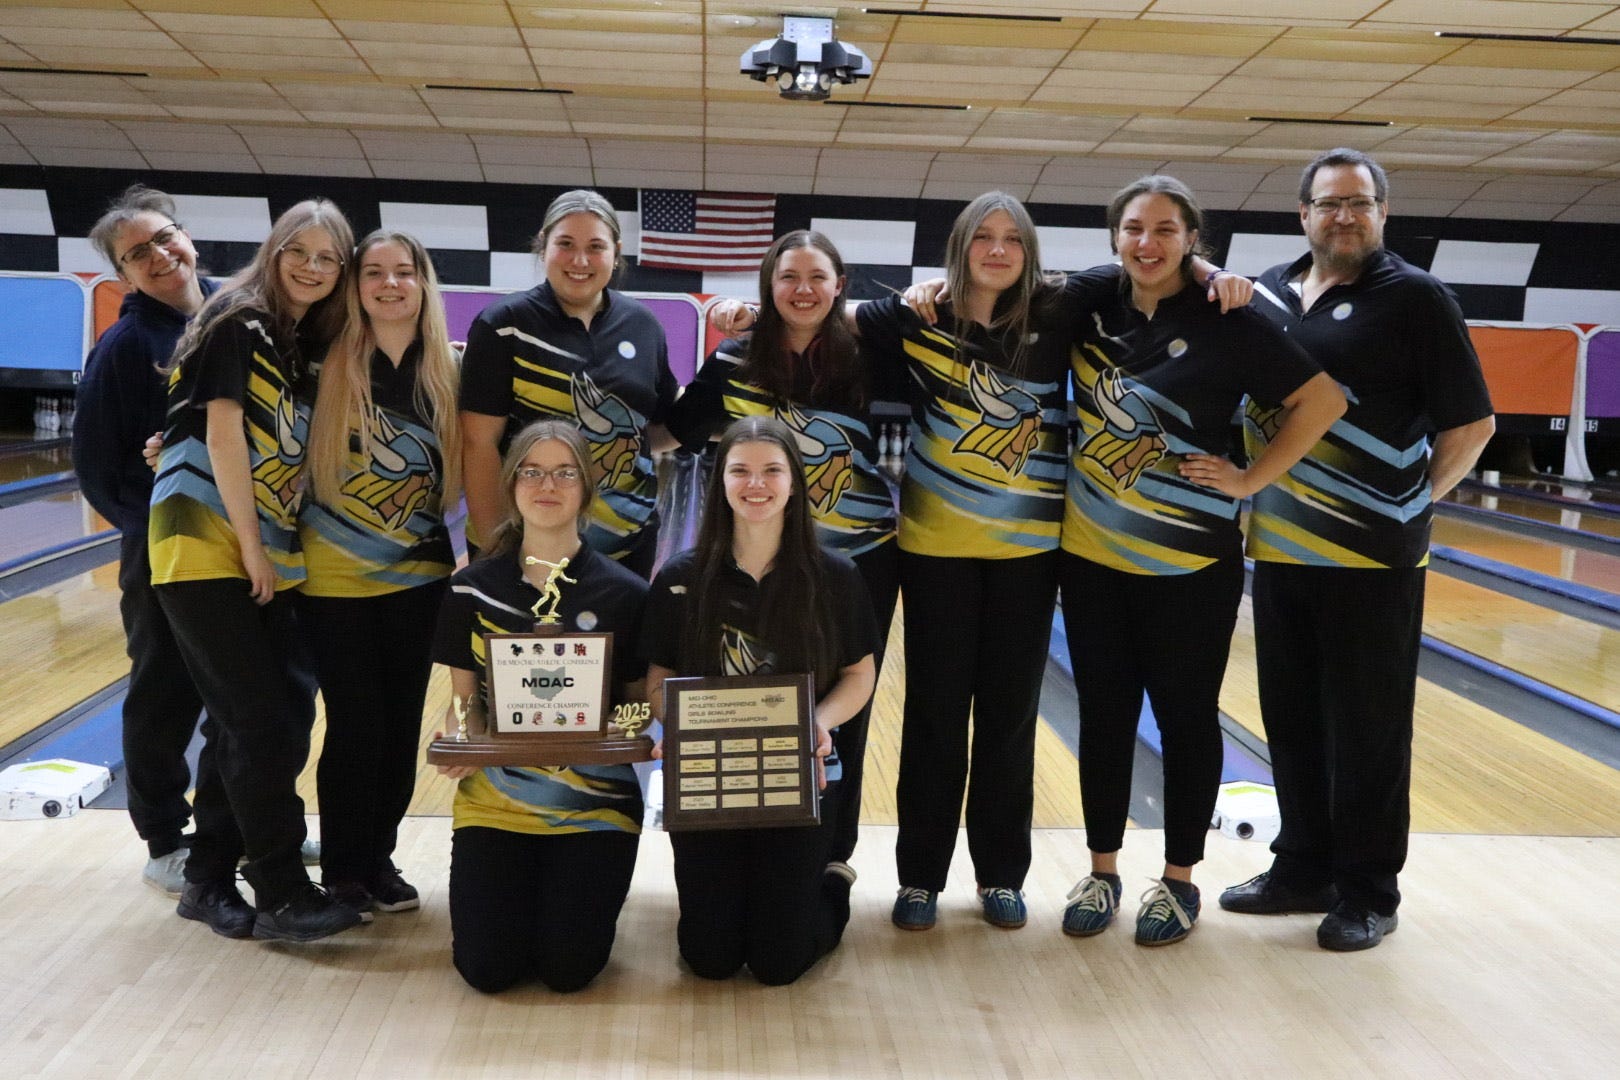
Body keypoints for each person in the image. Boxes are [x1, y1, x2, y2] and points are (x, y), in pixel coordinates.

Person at [1053, 176, 1345, 946]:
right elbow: (997, 292)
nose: (1146, 243)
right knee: (1105, 718)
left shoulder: (1230, 319)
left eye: (1165, 230)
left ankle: (1179, 881)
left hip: (1193, 566)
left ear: (1192, 239)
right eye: (1133, 228)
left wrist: (1249, 479)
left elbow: (1322, 401)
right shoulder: (1091, 302)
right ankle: (1102, 870)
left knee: (1185, 719)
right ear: (1115, 237)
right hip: (1091, 557)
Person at [1217, 148, 1495, 951]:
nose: (1345, 216)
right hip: (1281, 550)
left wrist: (1410, 507)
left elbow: (1473, 424)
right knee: (1293, 718)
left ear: (1382, 212)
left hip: (1374, 558)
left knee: (1368, 729)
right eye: (1330, 202)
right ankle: (1303, 868)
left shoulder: (1415, 298)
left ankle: (1369, 889)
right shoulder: (1270, 291)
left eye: (1360, 203)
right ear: (1303, 213)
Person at [150, 198, 362, 943]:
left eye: (328, 257)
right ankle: (280, 891)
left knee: (263, 719)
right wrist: (250, 546)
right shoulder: (238, 318)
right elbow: (222, 431)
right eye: (298, 251)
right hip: (206, 545)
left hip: (262, 547)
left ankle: (208, 879)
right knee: (258, 720)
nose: (311, 266)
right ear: (274, 252)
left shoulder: (292, 341)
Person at [666, 229, 899, 869]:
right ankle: (746, 825)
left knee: (846, 700)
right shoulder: (735, 359)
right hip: (758, 557)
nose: (803, 290)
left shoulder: (871, 358)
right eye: (788, 277)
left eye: (817, 277)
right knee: (755, 682)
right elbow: (677, 431)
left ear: (839, 286)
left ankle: (834, 850)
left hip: (861, 560)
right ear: (768, 286)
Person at [642, 416, 877, 985]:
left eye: (772, 470)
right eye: (740, 471)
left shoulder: (836, 576)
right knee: (710, 959)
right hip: (707, 780)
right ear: (719, 481)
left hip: (799, 777)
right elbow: (656, 682)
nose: (756, 484)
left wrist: (817, 722)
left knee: (779, 963)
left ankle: (832, 881)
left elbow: (859, 675)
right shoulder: (680, 577)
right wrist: (683, 727)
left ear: (793, 482)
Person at [432, 420, 648, 993]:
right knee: (487, 971)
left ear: (586, 488)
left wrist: (613, 728)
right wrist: (461, 739)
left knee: (569, 970)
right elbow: (463, 703)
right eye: (531, 472)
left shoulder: (627, 593)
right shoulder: (470, 589)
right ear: (511, 484)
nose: (546, 485)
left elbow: (639, 707)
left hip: (597, 804)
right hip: (496, 804)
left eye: (564, 473)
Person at [299, 230, 462, 918]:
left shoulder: (451, 368)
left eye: (404, 271)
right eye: (374, 272)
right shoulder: (321, 361)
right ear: (356, 285)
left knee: (399, 727)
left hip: (419, 578)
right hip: (332, 580)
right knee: (355, 724)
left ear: (423, 284)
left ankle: (378, 860)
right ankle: (343, 869)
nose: (390, 284)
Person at [72, 185, 218, 898]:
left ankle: (237, 825)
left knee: (246, 699)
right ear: (122, 273)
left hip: (246, 543)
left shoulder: (234, 316)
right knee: (164, 694)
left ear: (187, 238)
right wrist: (155, 527)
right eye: (137, 253)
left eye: (164, 238)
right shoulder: (127, 346)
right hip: (165, 549)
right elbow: (97, 467)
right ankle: (164, 840)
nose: (159, 256)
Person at [459, 188, 677, 577]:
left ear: (616, 252)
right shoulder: (504, 325)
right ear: (543, 246)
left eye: (595, 247)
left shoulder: (644, 326)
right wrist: (497, 549)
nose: (580, 260)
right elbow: (479, 444)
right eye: (565, 244)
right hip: (527, 546)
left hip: (627, 547)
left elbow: (655, 430)